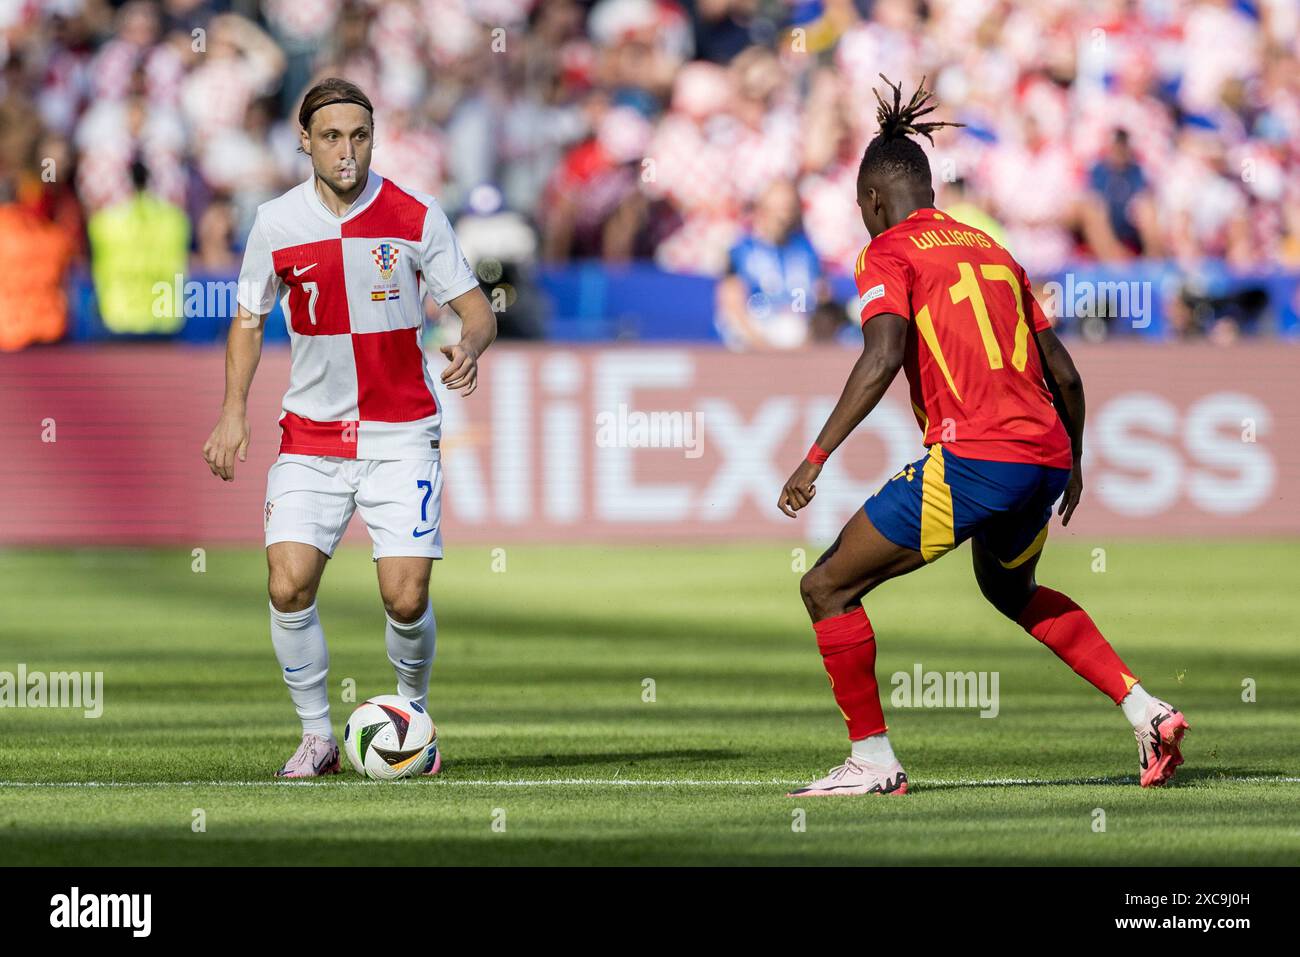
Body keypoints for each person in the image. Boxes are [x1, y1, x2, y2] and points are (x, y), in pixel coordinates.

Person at [777, 77, 1188, 796]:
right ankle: (1146, 709)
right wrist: (1078, 461)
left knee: (827, 586)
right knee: (1009, 587)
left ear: (874, 201)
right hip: (1046, 458)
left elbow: (880, 356)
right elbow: (1065, 371)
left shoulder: (889, 253)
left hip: (977, 459)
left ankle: (872, 759)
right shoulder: (993, 251)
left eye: (861, 208)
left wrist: (815, 457)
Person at [201, 78, 497, 778]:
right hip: (312, 436)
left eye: (359, 135)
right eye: (331, 136)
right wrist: (233, 410)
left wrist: (471, 344)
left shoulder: (415, 215)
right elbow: (248, 318)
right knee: (287, 585)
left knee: (406, 594)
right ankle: (316, 736)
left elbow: (477, 308)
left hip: (402, 432)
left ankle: (412, 719)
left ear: (374, 138)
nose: (346, 150)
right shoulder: (276, 222)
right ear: (304, 141)